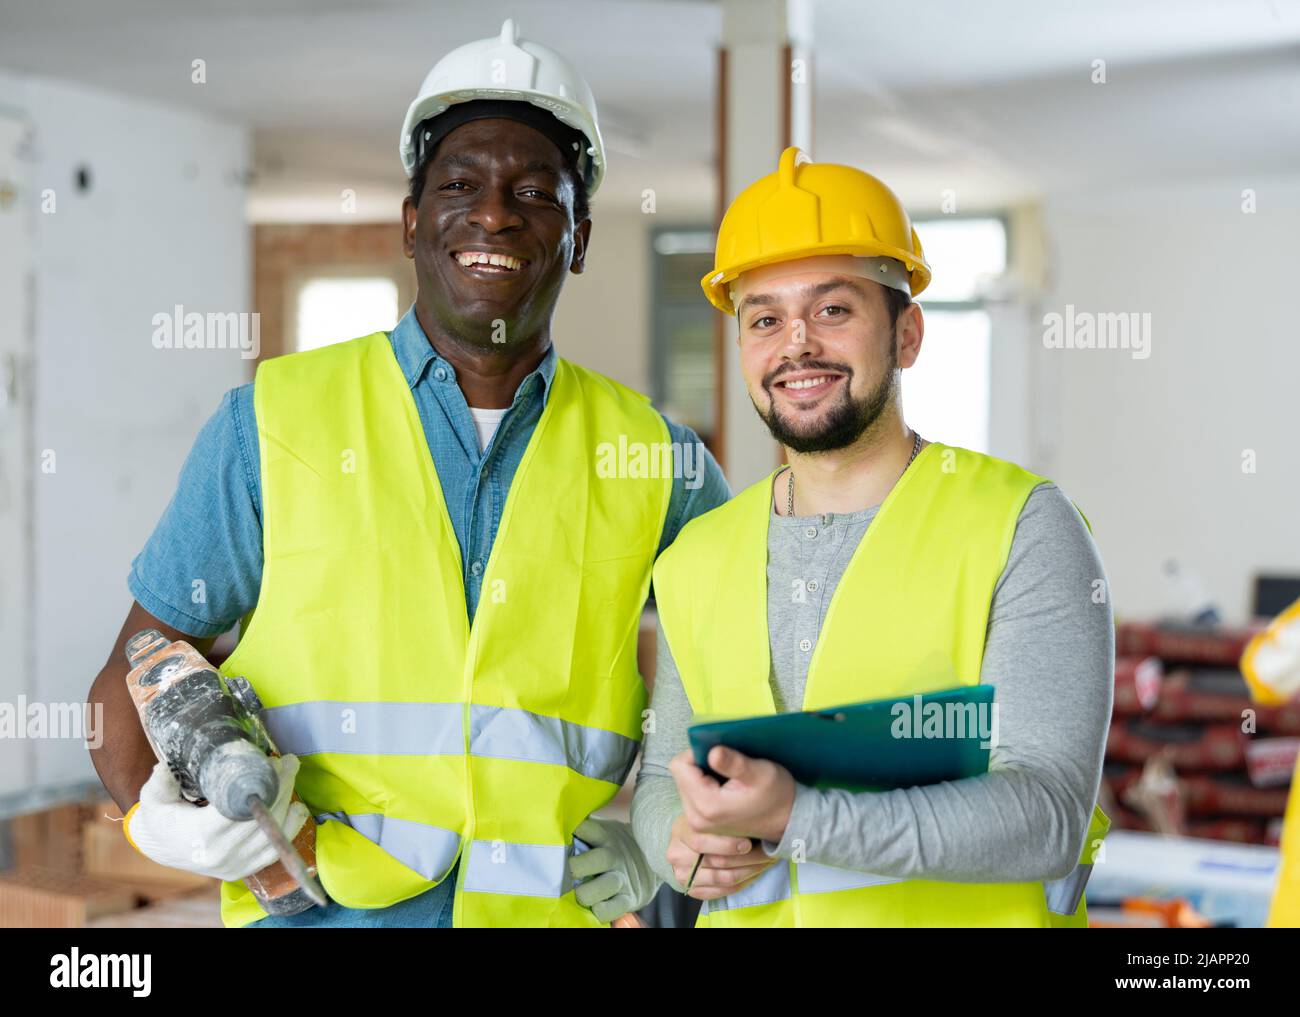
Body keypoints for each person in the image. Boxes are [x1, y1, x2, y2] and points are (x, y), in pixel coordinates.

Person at [88, 19, 728, 928]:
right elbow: (127, 675)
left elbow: (739, 674)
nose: (496, 213)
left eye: (536, 192)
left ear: (579, 238)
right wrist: (154, 825)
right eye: (460, 183)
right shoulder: (273, 422)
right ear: (411, 222)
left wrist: (660, 835)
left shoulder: (659, 458)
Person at [633, 147, 1112, 927]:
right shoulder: (697, 557)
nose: (796, 345)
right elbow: (662, 776)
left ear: (907, 334)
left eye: (833, 309)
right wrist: (681, 844)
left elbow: (1048, 811)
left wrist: (799, 817)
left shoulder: (1019, 525)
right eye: (764, 318)